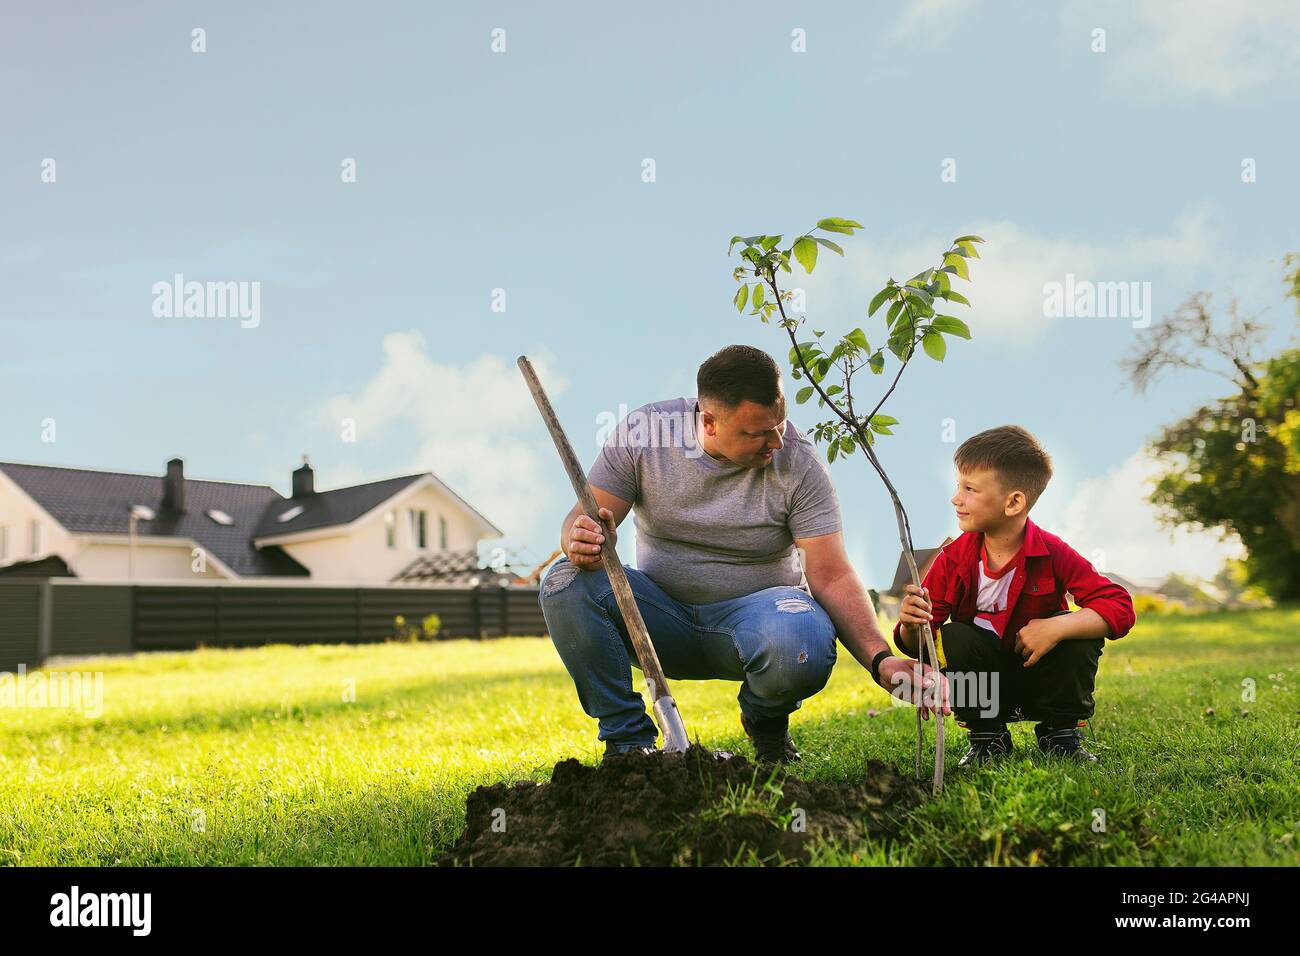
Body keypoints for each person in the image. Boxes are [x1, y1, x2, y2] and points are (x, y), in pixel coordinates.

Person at [540, 344, 947, 763]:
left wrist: (881, 660)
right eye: (757, 433)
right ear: (710, 421)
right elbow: (581, 519)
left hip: (761, 628)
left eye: (780, 424)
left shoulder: (799, 463)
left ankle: (765, 722)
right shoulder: (646, 435)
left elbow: (832, 574)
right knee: (564, 581)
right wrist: (580, 537)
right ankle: (629, 745)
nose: (776, 441)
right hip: (659, 620)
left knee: (803, 639)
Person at [895, 425, 1136, 765]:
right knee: (955, 635)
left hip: (1043, 683)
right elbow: (919, 643)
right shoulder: (952, 560)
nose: (956, 497)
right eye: (958, 485)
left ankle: (1060, 736)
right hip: (984, 692)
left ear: (1013, 502)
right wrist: (910, 624)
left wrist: (1057, 628)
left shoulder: (1053, 552)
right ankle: (987, 738)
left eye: (969, 488)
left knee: (1077, 628)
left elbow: (1119, 606)